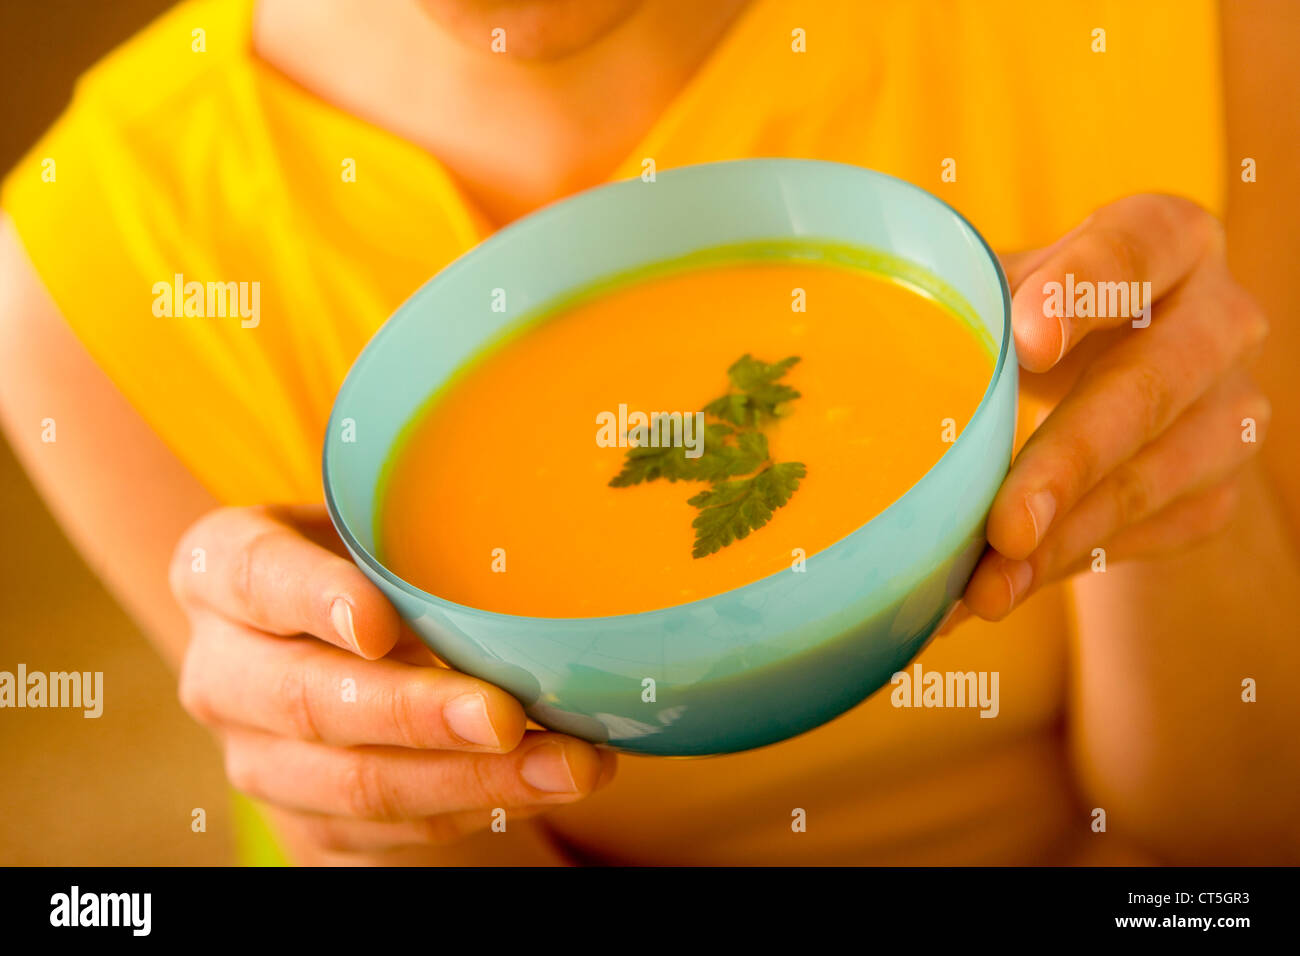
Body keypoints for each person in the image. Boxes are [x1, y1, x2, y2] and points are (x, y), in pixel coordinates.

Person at [1, 0, 1297, 866]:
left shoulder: (1170, 28)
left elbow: (1230, 840)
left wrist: (1173, 498)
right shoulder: (99, 267)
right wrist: (371, 813)